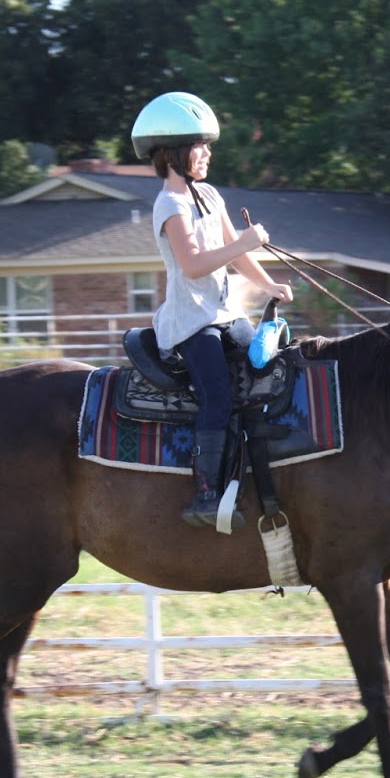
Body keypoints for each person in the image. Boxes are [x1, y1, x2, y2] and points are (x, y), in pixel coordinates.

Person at [130, 91, 294, 531]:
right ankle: (205, 495)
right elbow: (195, 264)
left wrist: (268, 283)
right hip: (191, 323)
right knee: (217, 394)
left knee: (275, 363)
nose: (207, 154)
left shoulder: (208, 195)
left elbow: (237, 256)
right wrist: (244, 240)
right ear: (173, 153)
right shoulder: (171, 204)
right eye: (199, 146)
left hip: (224, 315)